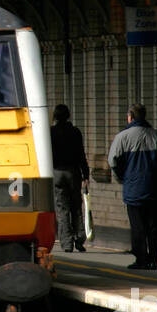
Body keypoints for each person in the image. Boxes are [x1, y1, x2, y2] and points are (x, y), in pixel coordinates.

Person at [108, 102, 157, 270]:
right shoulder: (156, 136)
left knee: (138, 227)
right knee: (153, 227)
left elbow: (112, 161)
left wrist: (122, 177)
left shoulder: (122, 137)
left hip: (133, 190)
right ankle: (153, 260)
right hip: (154, 190)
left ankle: (140, 259)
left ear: (131, 117)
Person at [51, 104, 89, 252]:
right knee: (76, 206)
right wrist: (85, 175)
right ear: (68, 116)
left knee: (62, 208)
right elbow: (81, 155)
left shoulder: (50, 133)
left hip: (57, 172)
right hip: (73, 172)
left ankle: (66, 243)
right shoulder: (75, 132)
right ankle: (79, 239)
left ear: (55, 116)